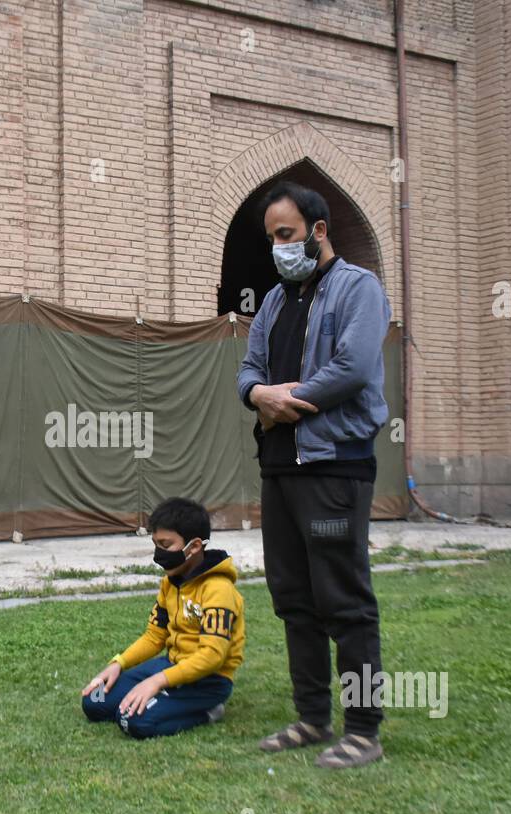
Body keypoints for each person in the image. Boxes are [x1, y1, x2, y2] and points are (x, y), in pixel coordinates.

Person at [235, 181, 391, 769]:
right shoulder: (273, 303)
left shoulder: (359, 289)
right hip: (278, 469)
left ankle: (364, 730)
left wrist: (283, 400)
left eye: (286, 235)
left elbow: (352, 367)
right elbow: (247, 371)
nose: (278, 248)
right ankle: (310, 717)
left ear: (318, 231)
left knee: (344, 601)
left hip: (335, 469)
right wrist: (256, 394)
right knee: (294, 598)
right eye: (272, 238)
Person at [80, 497, 245, 739]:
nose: (159, 553)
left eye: (166, 545)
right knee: (94, 702)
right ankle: (163, 697)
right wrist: (118, 663)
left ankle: (210, 711)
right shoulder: (171, 582)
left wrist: (157, 682)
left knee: (132, 721)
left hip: (209, 680)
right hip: (171, 665)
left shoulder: (218, 590)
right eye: (156, 544)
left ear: (195, 546)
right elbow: (155, 635)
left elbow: (212, 657)